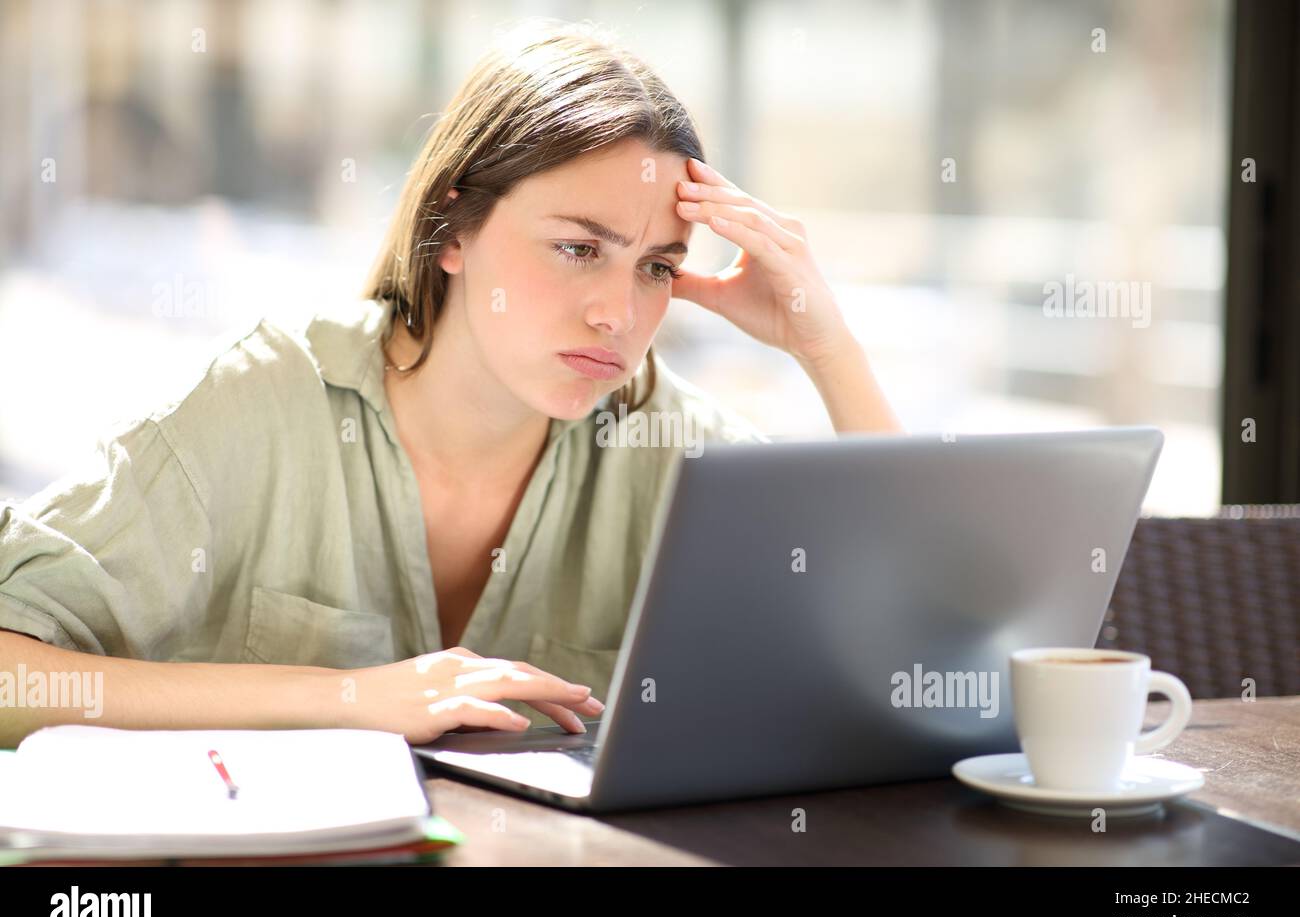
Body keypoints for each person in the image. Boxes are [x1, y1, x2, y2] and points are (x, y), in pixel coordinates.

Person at [0, 21, 901, 749]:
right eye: (579, 248)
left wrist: (828, 349)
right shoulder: (267, 402)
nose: (617, 314)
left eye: (657, 268)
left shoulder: (674, 450)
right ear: (452, 228)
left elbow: (913, 672)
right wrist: (350, 698)